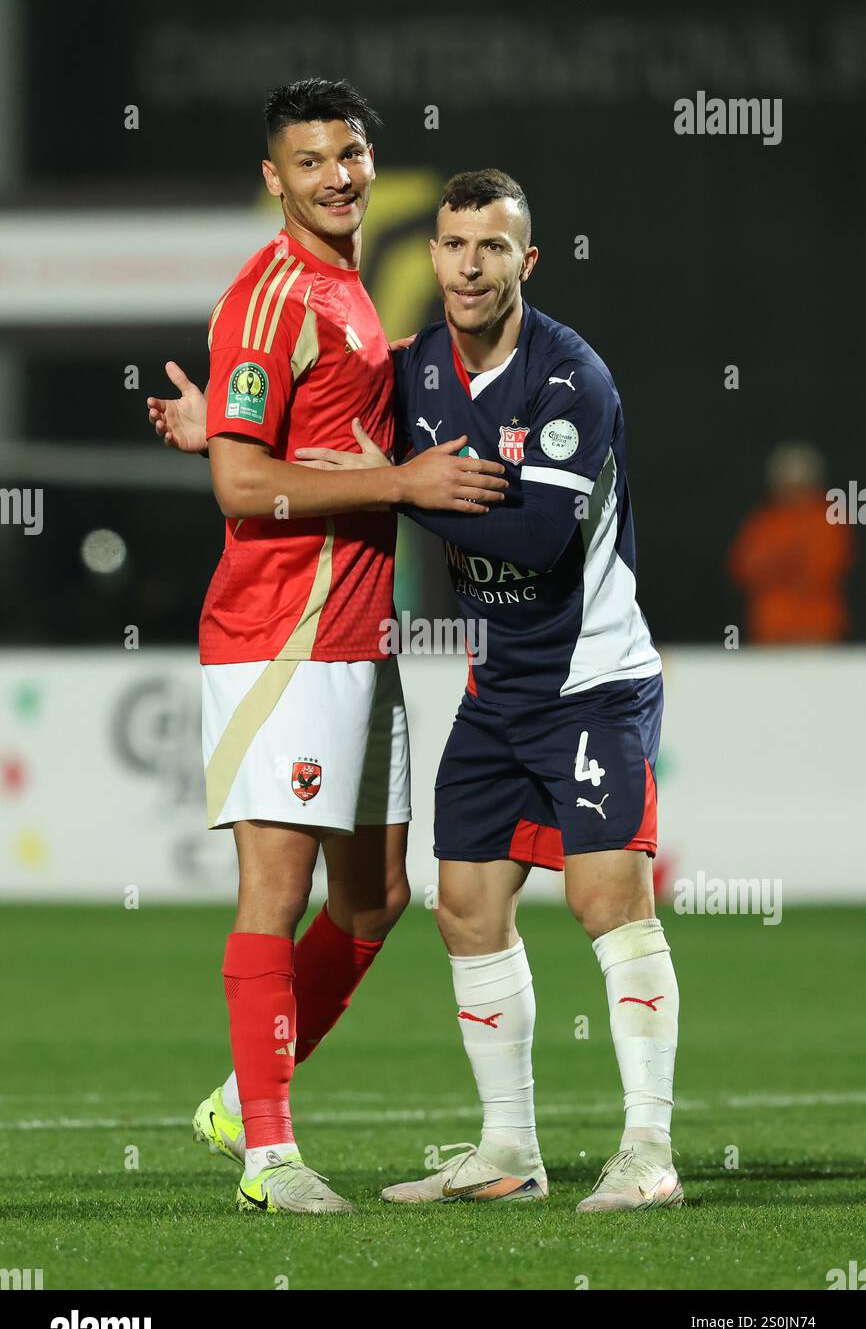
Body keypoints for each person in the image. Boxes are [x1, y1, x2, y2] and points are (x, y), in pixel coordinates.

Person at [154, 169, 681, 1214]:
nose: (468, 266)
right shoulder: (417, 368)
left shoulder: (569, 377)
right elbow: (325, 428)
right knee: (463, 907)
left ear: (524, 261)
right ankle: (507, 1150)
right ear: (431, 256)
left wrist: (411, 489)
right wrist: (219, 422)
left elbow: (535, 539)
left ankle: (647, 1151)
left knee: (603, 900)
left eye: (491, 248)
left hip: (589, 680)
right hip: (495, 690)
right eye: (451, 246)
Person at [146, 81, 507, 1215]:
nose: (337, 177)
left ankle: (238, 1095)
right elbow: (242, 483)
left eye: (349, 154)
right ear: (274, 179)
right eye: (309, 162)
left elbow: (294, 429)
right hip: (280, 638)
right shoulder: (266, 300)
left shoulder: (346, 292)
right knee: (277, 885)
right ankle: (267, 1156)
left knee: (373, 900)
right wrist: (398, 481)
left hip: (357, 635)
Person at [728, 440, 854, 643]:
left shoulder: (829, 519)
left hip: (818, 626)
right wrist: (788, 561)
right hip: (771, 626)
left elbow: (826, 566)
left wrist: (782, 564)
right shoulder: (764, 521)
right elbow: (745, 567)